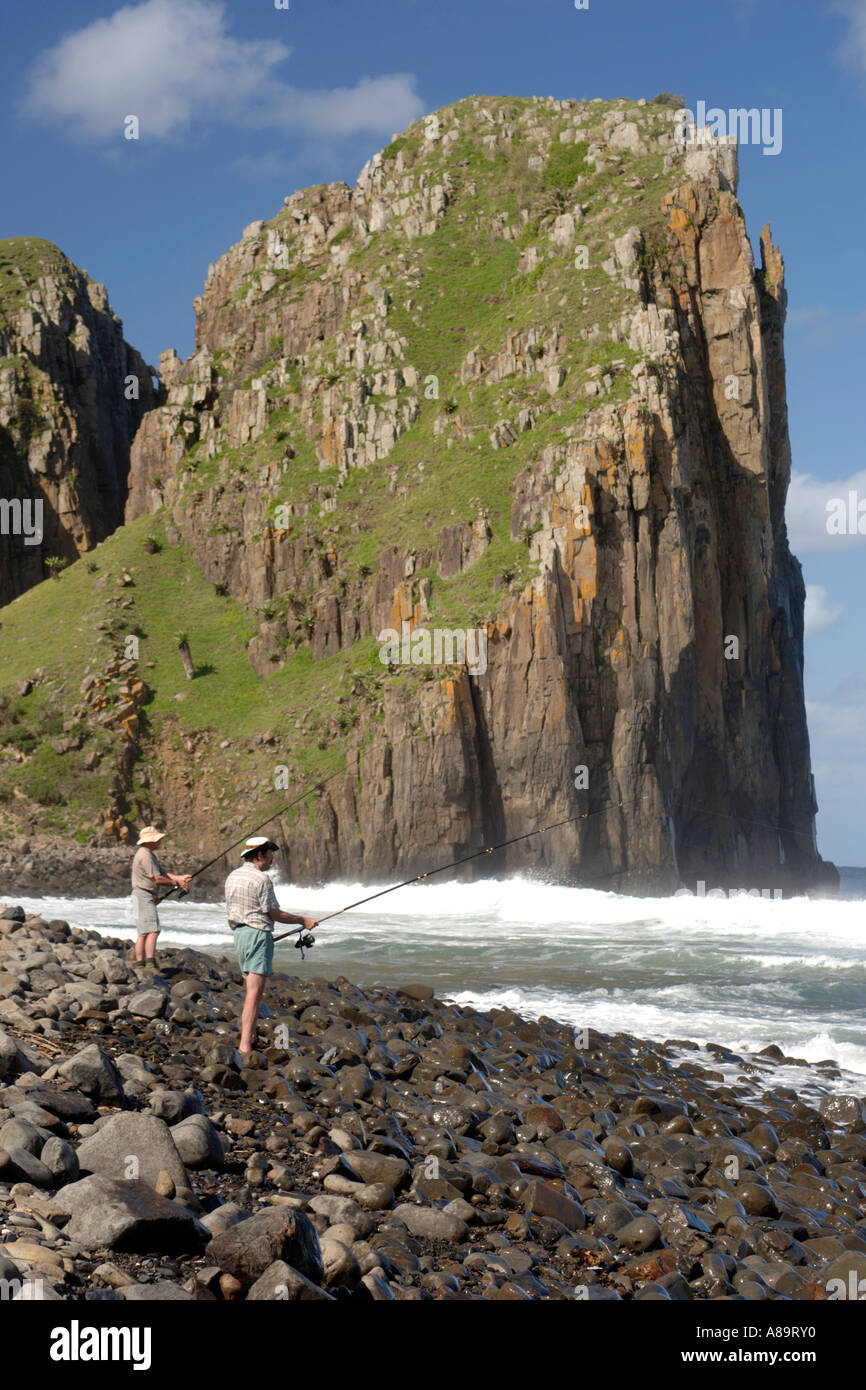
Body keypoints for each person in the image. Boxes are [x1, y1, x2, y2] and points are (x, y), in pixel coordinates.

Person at [225, 836, 317, 1058]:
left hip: (240, 934)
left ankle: (252, 1036)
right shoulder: (262, 879)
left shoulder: (233, 876)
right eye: (270, 853)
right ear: (259, 855)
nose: (273, 857)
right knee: (254, 993)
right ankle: (245, 1045)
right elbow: (273, 913)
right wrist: (302, 920)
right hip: (257, 934)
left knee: (251, 988)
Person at [130, 827, 191, 971]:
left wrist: (181, 878)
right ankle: (150, 964)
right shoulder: (145, 855)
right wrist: (176, 884)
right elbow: (157, 879)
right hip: (144, 895)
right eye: (157, 839)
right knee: (153, 930)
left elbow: (164, 874)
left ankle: (140, 964)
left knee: (143, 932)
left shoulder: (148, 854)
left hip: (141, 895)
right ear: (150, 841)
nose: (160, 841)